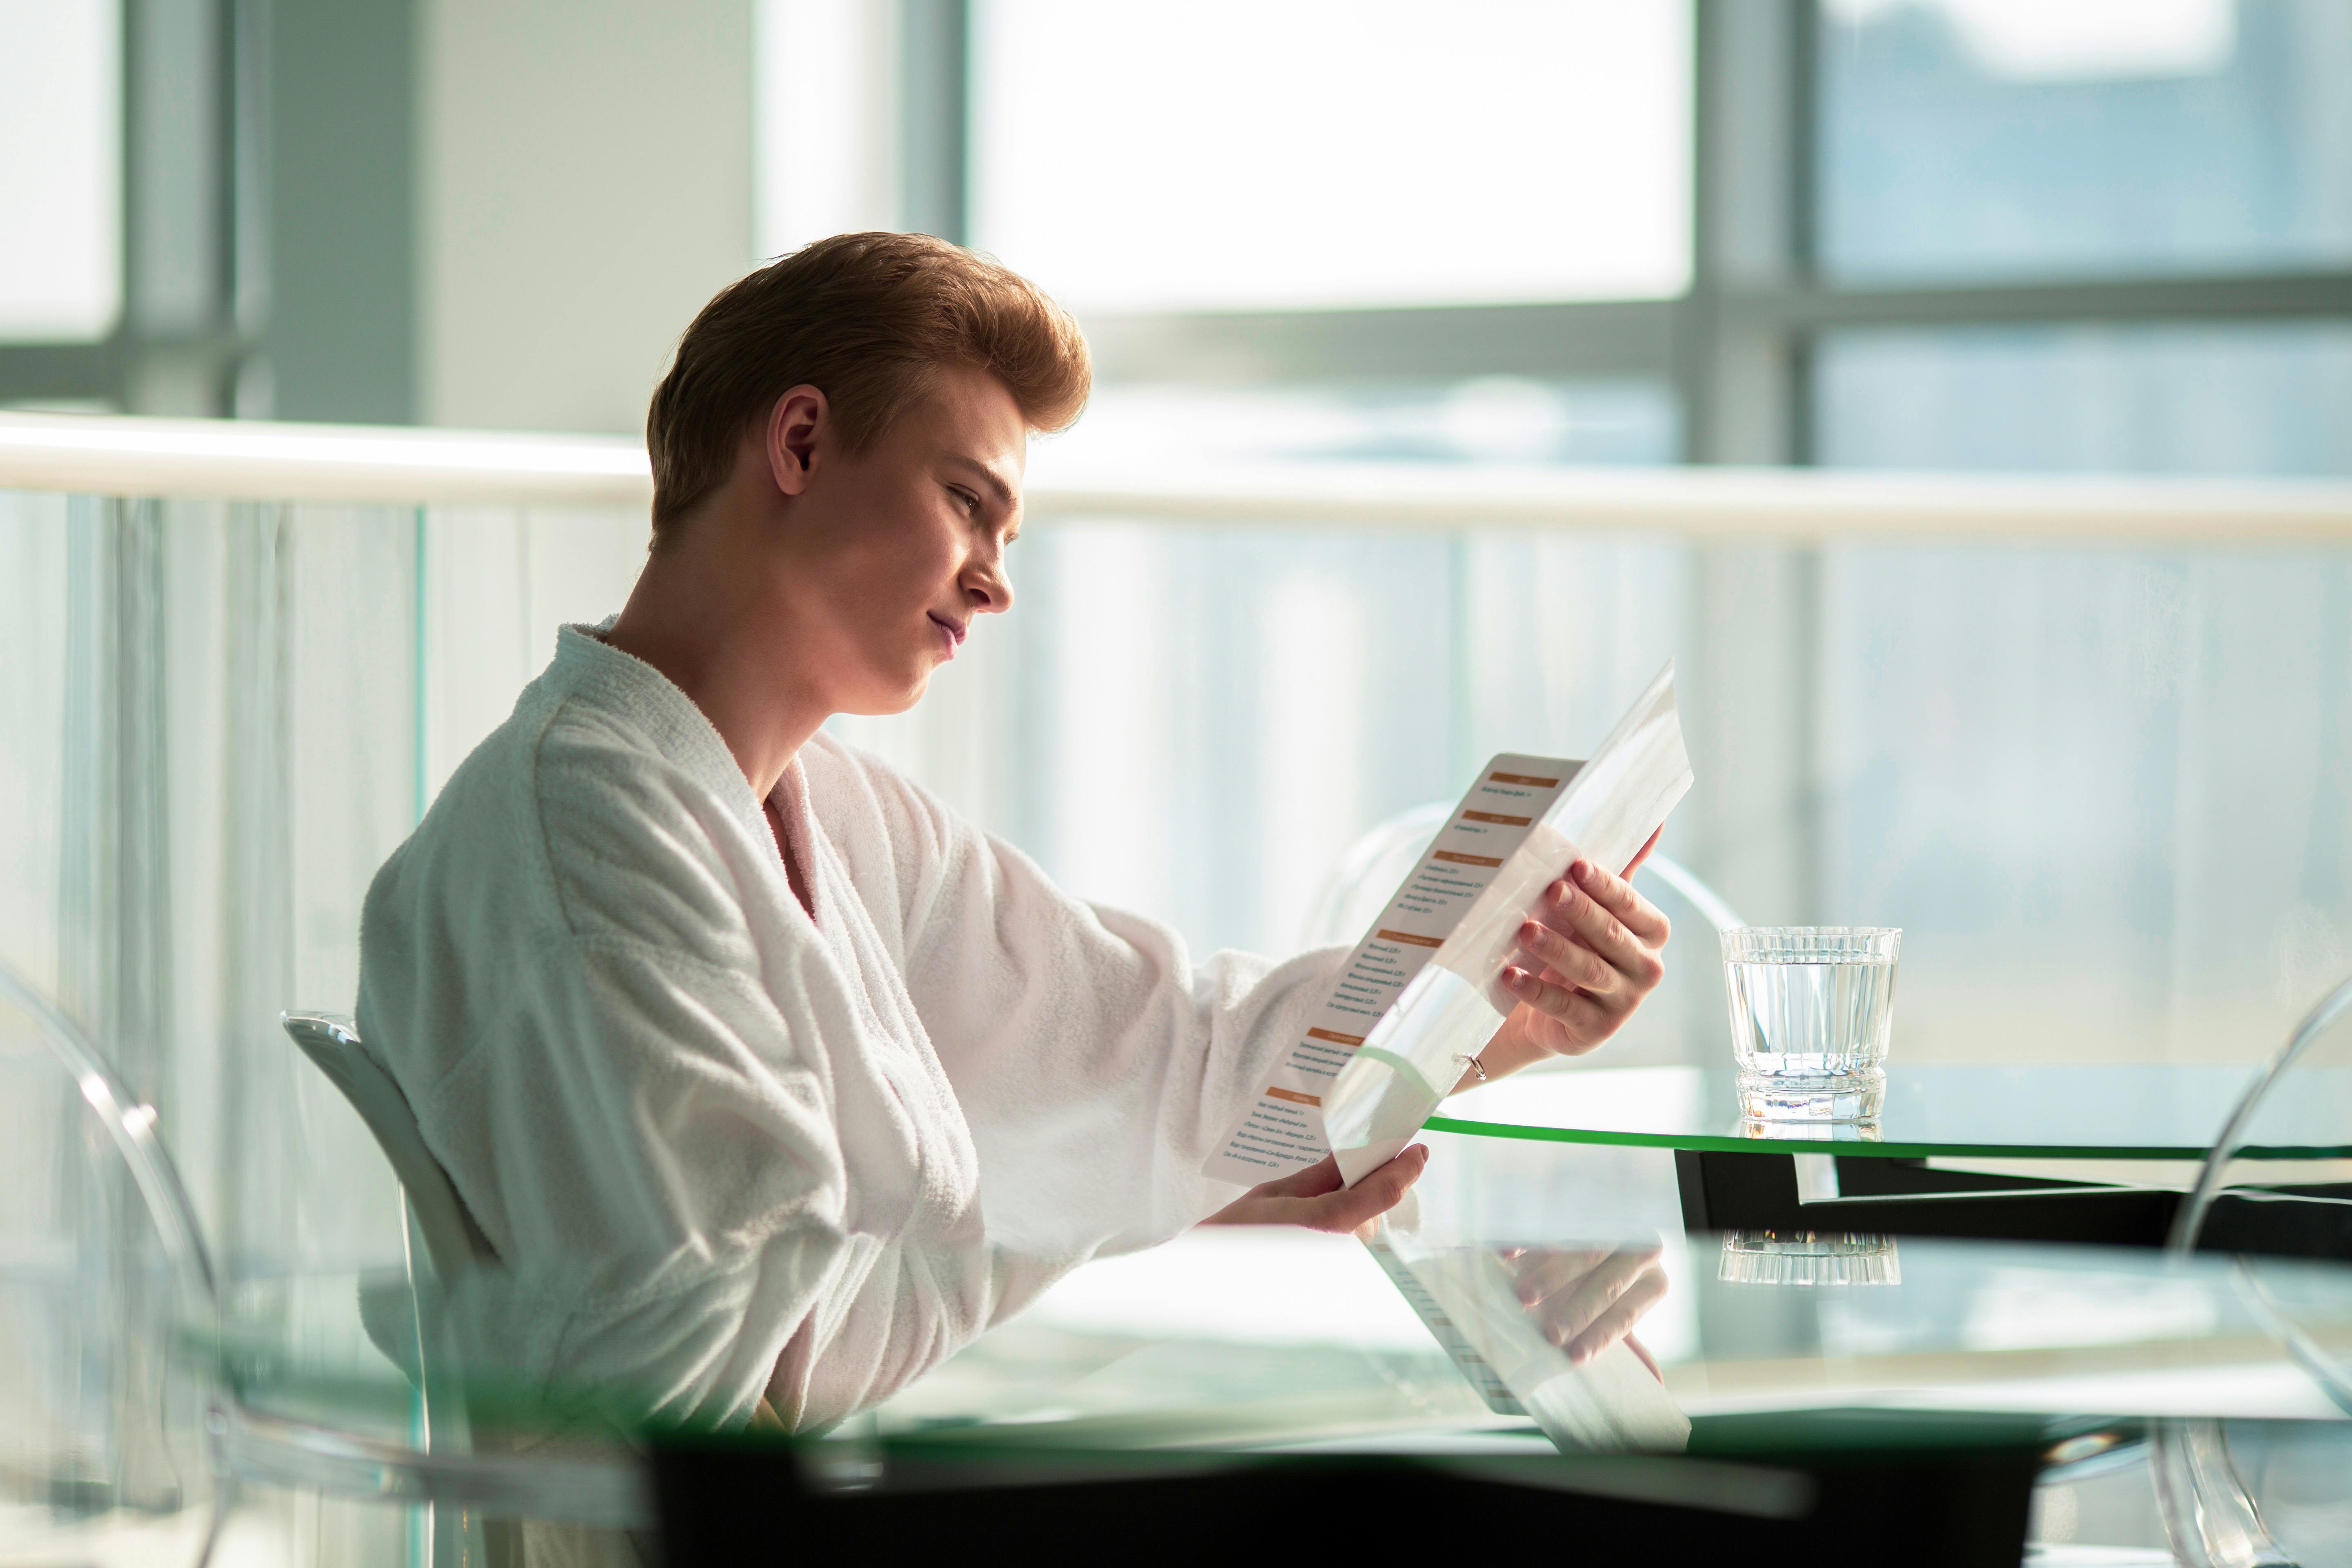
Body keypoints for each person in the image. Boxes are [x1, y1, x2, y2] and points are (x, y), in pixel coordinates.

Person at [355, 232, 1672, 1434]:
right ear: (801, 445)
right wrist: (1145, 1242)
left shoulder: (826, 814)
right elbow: (714, 1364)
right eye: (968, 502)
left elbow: (1165, 1046)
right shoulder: (592, 830)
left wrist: (1500, 1004)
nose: (995, 579)